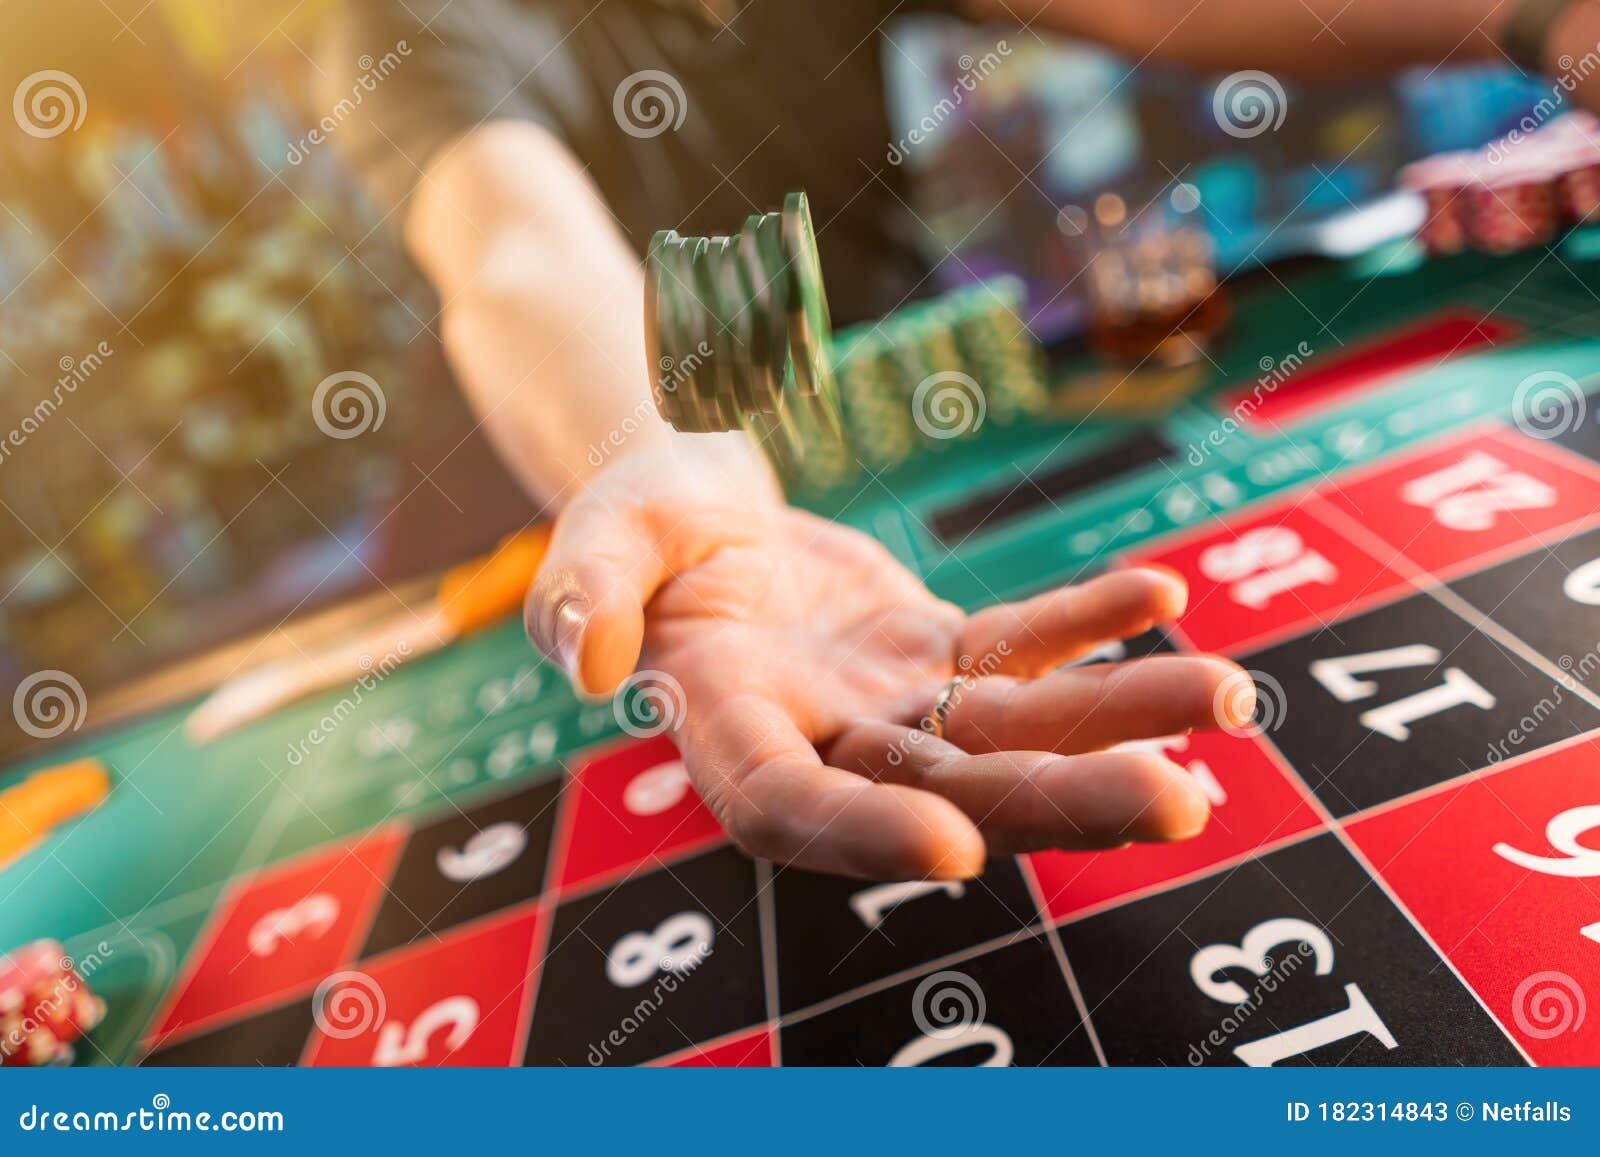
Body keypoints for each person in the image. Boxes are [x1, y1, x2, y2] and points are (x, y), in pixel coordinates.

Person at [320, 0, 1596, 880]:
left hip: (877, 432)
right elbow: (512, 244)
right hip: (562, 497)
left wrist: (1535, 14)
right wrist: (646, 454)